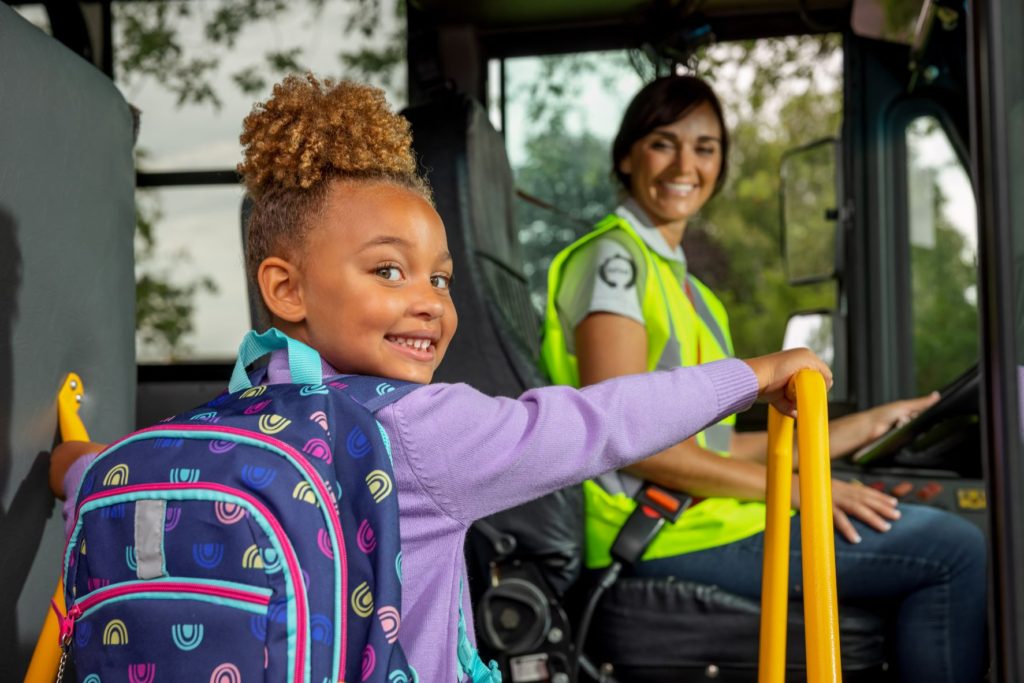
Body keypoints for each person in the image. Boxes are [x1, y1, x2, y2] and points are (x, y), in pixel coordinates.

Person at [49, 73, 832, 682]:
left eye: (443, 279)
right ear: (285, 289)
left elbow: (95, 475)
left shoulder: (215, 428)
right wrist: (752, 374)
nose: (427, 301)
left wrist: (65, 460)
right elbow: (601, 422)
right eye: (390, 269)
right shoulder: (422, 430)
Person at [540, 74, 986, 683]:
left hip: (701, 514)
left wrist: (864, 426)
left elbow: (715, 449)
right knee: (954, 551)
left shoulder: (693, 293)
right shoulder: (612, 261)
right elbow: (629, 438)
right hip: (659, 531)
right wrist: (802, 492)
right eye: (663, 143)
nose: (685, 165)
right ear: (627, 155)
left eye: (705, 148)